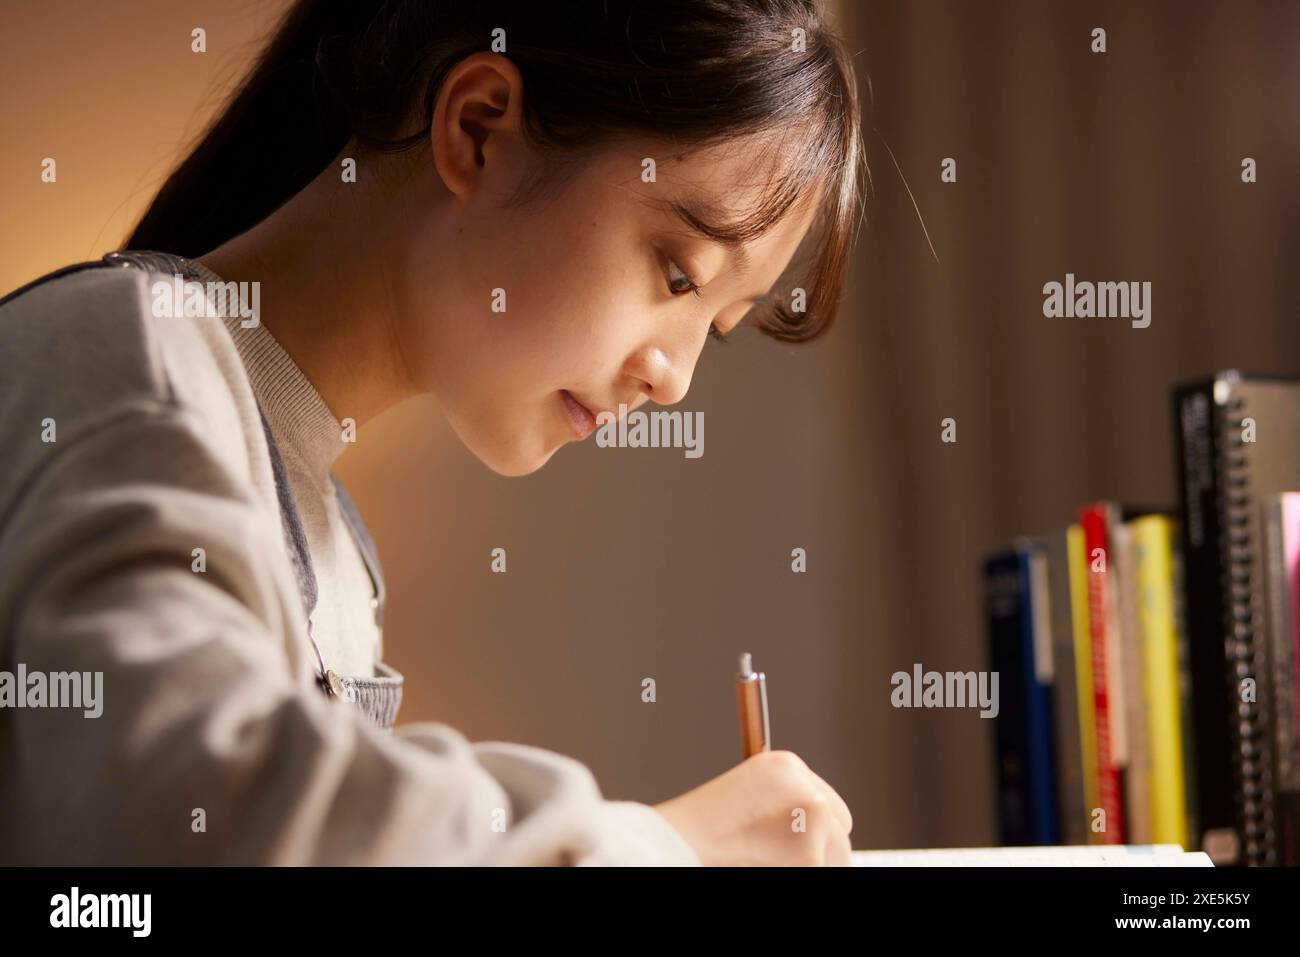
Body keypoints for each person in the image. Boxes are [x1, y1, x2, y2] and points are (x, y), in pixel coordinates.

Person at [0, 0, 865, 865]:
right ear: (480, 129)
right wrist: (664, 846)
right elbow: (191, 819)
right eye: (678, 273)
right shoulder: (131, 356)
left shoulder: (340, 559)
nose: (672, 380)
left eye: (715, 327)